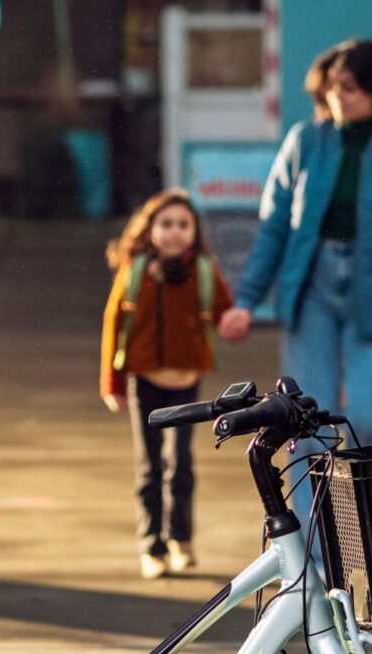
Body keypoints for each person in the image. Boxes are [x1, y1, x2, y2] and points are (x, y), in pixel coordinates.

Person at [218, 39, 372, 536]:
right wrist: (247, 300)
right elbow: (275, 225)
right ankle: (314, 548)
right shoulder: (305, 141)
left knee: (366, 415)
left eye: (352, 88)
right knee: (304, 423)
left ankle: (371, 534)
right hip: (311, 287)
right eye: (334, 87)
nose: (340, 97)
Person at [100, 190, 236, 579]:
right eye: (166, 224)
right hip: (144, 382)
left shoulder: (204, 271)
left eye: (183, 224)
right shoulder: (137, 269)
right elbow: (114, 324)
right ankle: (151, 546)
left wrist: (234, 322)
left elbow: (226, 311)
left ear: (194, 231)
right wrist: (111, 382)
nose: (174, 232)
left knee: (181, 463)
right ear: (151, 230)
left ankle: (181, 540)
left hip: (186, 382)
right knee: (149, 467)